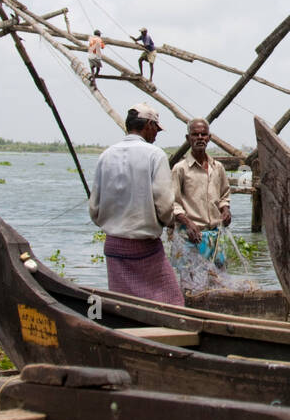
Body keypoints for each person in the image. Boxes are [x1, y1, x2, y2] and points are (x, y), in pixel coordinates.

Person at [88, 103, 183, 305]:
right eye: (156, 129)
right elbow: (164, 205)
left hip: (114, 245)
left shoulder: (106, 155)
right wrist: (168, 222)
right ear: (148, 125)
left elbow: (94, 208)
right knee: (171, 302)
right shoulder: (155, 155)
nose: (156, 135)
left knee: (124, 305)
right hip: (145, 247)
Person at [170, 118, 233, 264]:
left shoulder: (217, 167)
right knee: (190, 275)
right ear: (188, 138)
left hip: (215, 235)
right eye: (195, 134)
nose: (200, 138)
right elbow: (173, 203)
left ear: (209, 138)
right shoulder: (180, 169)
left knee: (218, 275)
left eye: (203, 134)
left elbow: (224, 195)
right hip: (190, 235)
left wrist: (225, 210)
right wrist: (188, 223)